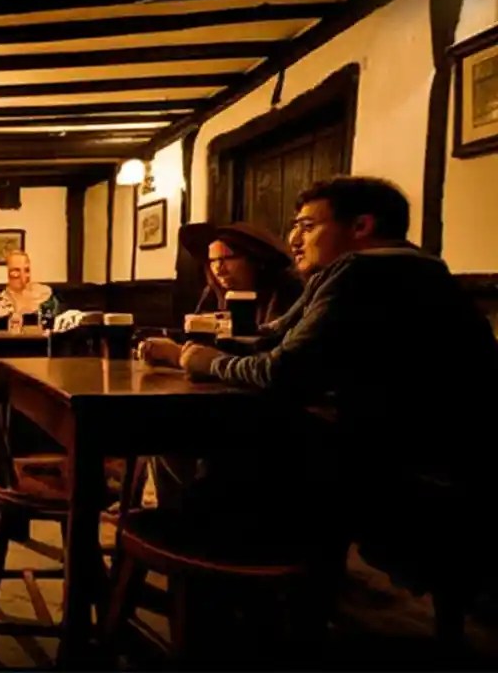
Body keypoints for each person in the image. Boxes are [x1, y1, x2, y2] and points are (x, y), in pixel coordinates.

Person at [178, 176, 498, 601]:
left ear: (362, 226)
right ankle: (258, 577)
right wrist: (204, 351)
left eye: (307, 226)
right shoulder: (421, 268)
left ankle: (219, 576)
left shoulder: (363, 272)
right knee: (226, 436)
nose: (293, 239)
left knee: (204, 436)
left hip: (402, 471)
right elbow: (276, 337)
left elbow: (281, 371)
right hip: (452, 459)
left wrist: (206, 361)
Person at [138, 221, 301, 368]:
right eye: (213, 260)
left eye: (228, 258)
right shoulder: (213, 292)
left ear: (254, 260)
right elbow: (199, 340)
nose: (218, 269)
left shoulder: (284, 293)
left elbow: (266, 362)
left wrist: (178, 354)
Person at [0, 250, 59, 327]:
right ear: (8, 273)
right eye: (16, 271)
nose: (23, 276)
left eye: (26, 270)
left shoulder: (44, 294)